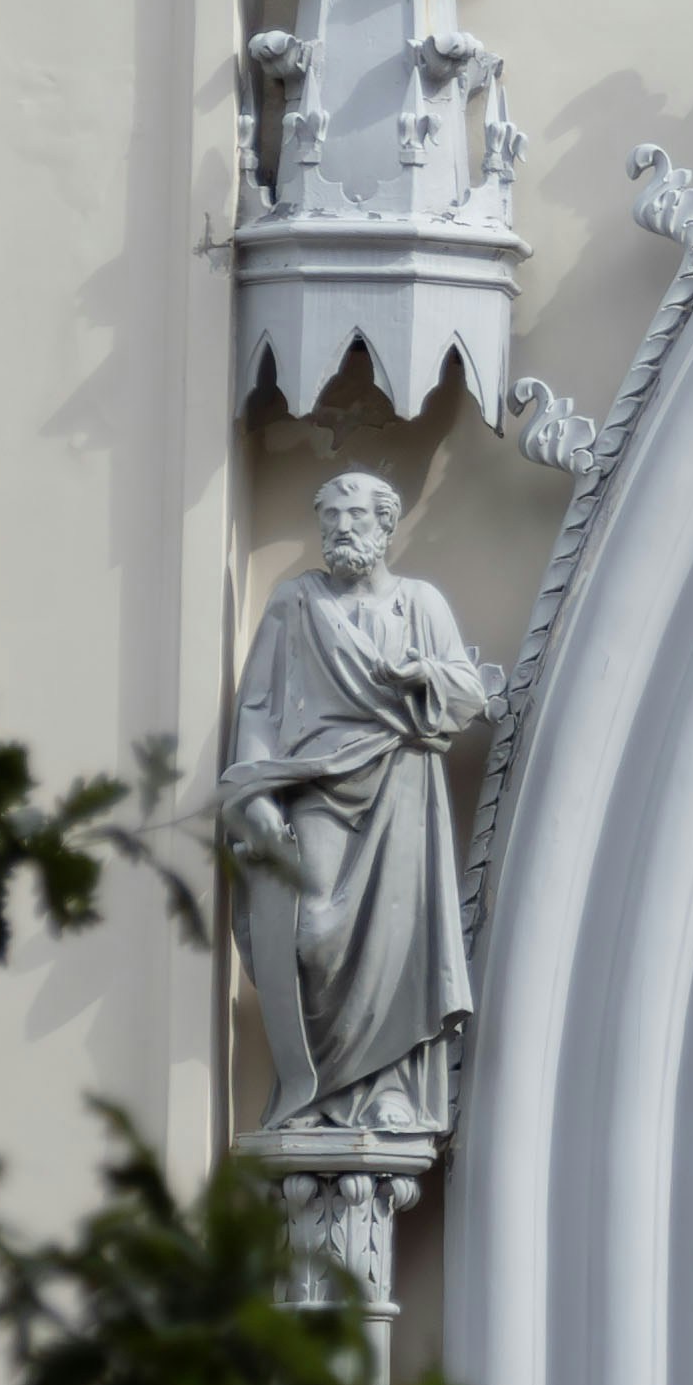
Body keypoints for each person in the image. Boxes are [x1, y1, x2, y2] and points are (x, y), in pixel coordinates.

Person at [222, 469, 493, 1143]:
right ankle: (316, 1086)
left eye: (356, 518)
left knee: (398, 942)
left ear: (386, 526)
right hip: (315, 783)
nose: (342, 530)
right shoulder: (296, 603)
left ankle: (387, 1091)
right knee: (312, 932)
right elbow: (257, 705)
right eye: (331, 518)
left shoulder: (419, 604)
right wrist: (253, 791)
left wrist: (421, 674)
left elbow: (467, 692)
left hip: (400, 783)